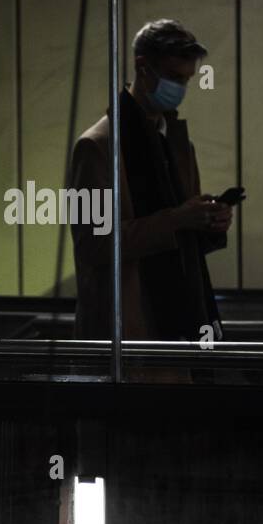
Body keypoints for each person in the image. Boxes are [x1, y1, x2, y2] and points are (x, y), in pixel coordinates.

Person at [70, 18, 233, 341]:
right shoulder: (95, 147)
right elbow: (95, 245)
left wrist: (208, 220)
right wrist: (178, 218)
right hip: (126, 330)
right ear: (142, 68)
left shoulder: (177, 144)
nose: (181, 90)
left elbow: (183, 230)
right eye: (174, 77)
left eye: (186, 80)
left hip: (174, 323)